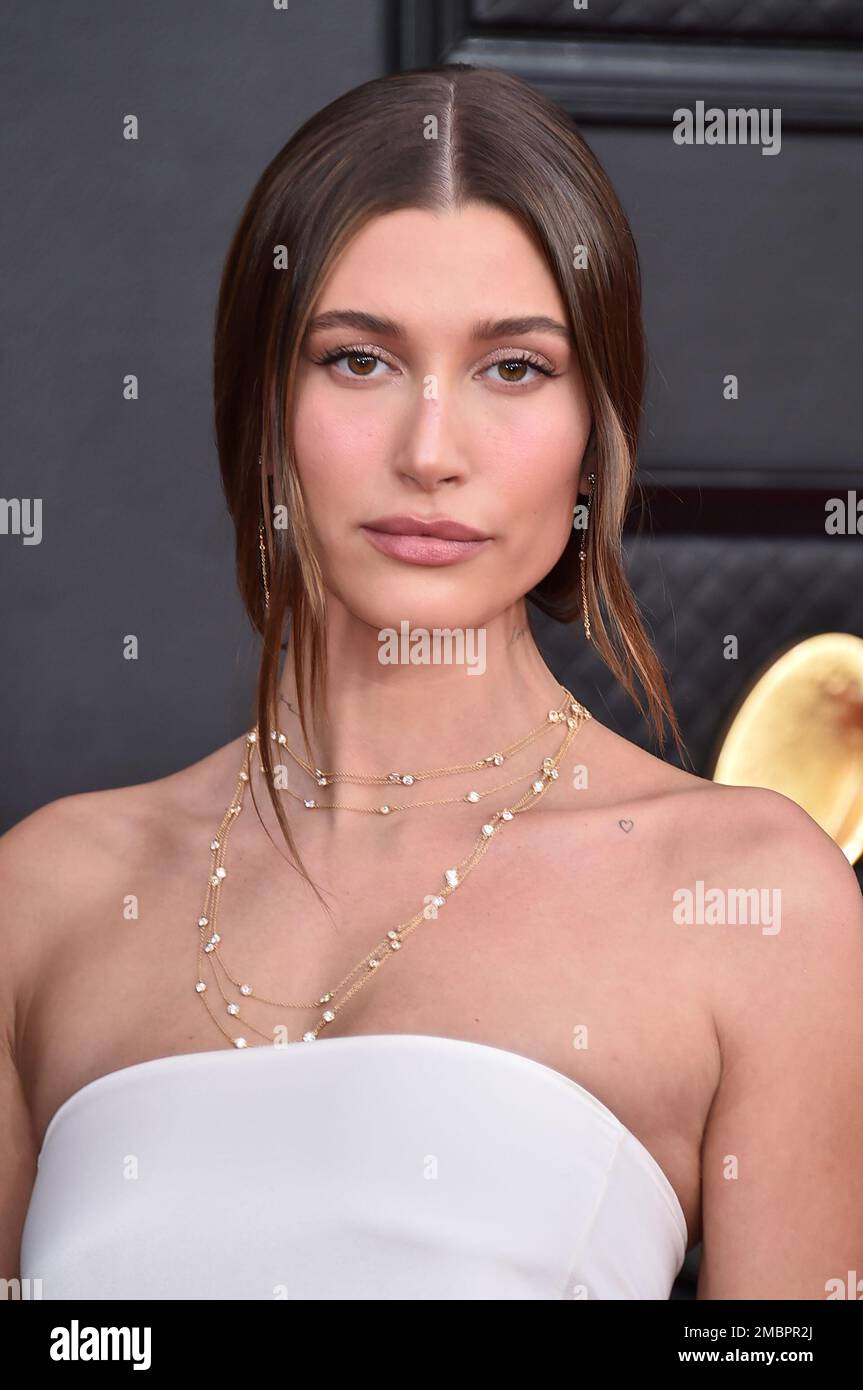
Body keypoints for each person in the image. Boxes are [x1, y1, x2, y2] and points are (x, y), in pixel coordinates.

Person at [2, 63, 861, 1302]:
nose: (428, 451)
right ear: (262, 407)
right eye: (358, 361)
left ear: (592, 432)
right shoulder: (46, 895)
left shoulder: (749, 899)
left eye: (512, 368)